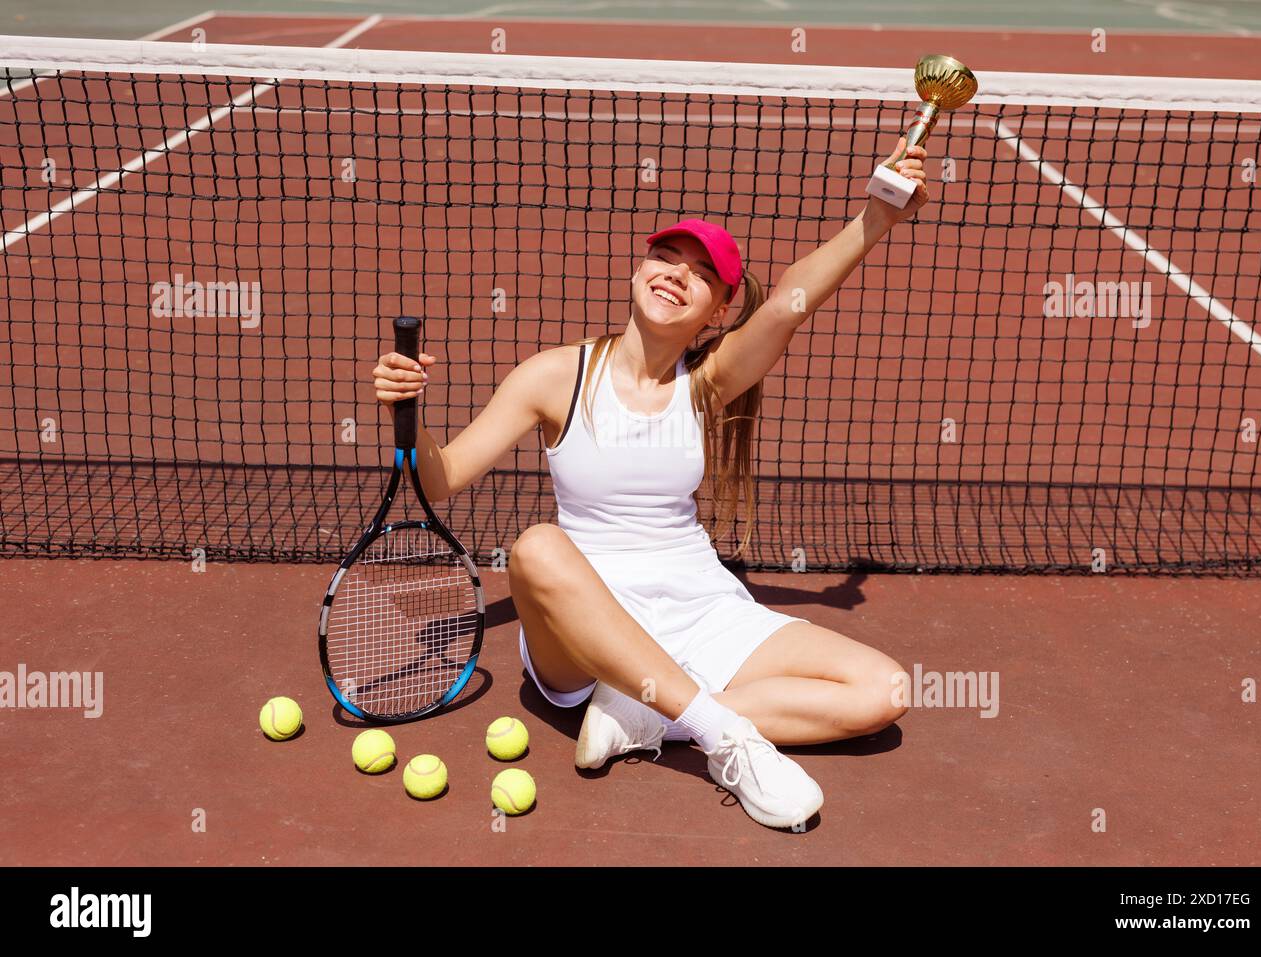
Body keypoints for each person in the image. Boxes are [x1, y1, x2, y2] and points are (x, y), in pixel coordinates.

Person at [372, 138, 928, 830]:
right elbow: (442, 477)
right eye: (666, 257)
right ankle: (726, 738)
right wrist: (407, 413)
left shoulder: (707, 384)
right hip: (586, 634)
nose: (675, 274)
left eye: (700, 274)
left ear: (720, 310)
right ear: (641, 268)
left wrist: (878, 215)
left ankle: (650, 714)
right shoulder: (557, 375)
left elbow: (787, 305)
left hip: (703, 610)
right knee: (538, 548)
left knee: (886, 688)